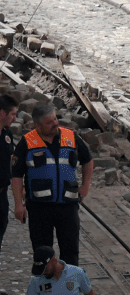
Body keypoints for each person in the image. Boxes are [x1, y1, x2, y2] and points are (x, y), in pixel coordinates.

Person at [10, 104, 93, 266]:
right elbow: (17, 175)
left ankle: (69, 289)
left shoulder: (70, 137)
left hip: (68, 207)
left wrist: (85, 186)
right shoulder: (27, 142)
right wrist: (18, 204)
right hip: (39, 209)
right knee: (42, 254)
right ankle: (46, 289)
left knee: (71, 253)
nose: (55, 124)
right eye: (49, 122)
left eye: (55, 119)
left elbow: (88, 160)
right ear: (37, 125)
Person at [0, 94, 19, 295]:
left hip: (1, 196)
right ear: (3, 113)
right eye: (13, 114)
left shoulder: (7, 134)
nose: (15, 118)